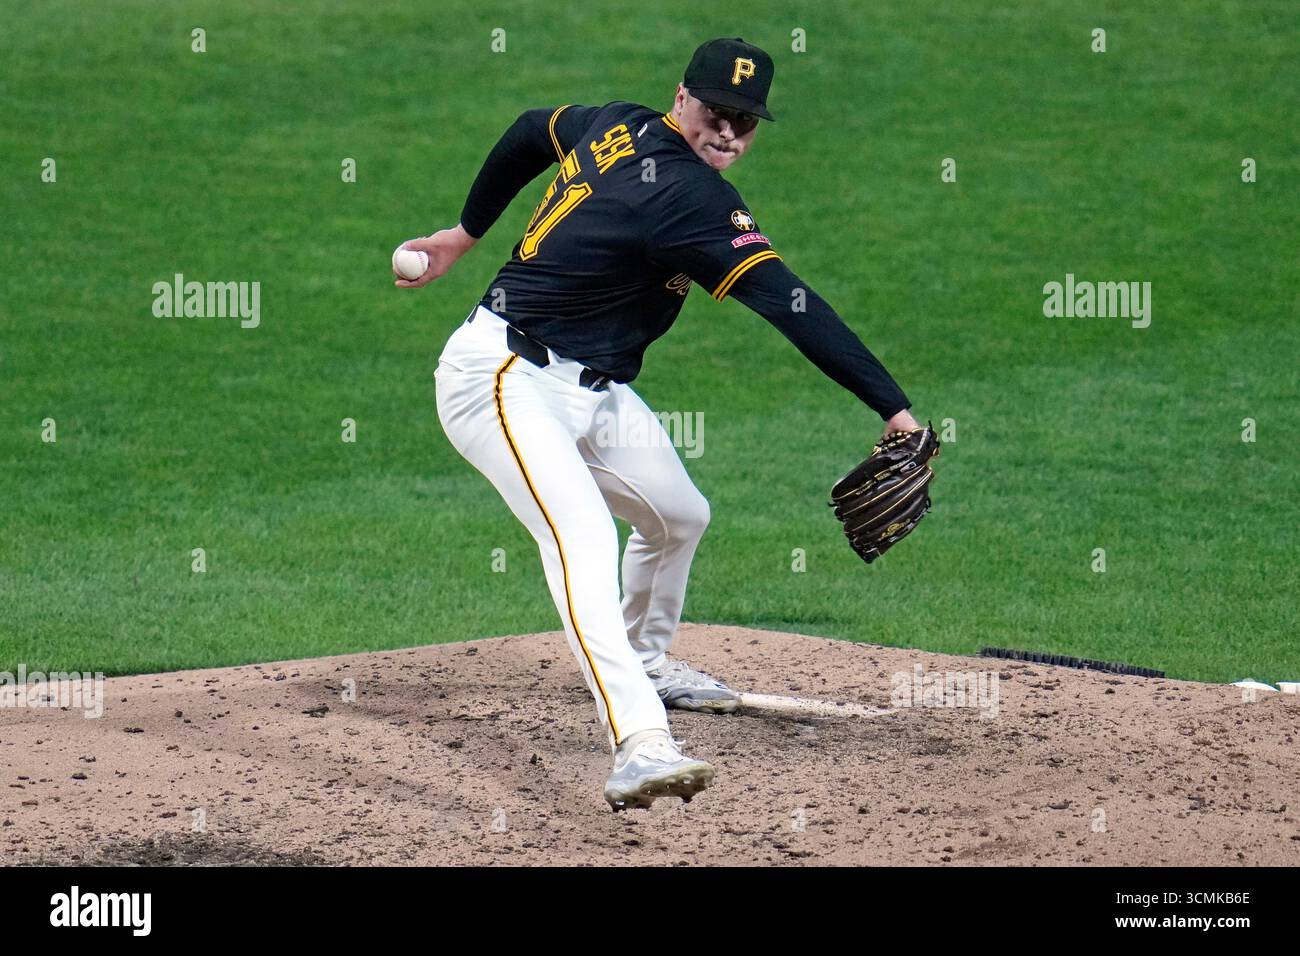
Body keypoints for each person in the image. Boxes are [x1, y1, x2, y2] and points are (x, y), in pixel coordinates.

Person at [396, 37, 920, 811]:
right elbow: (791, 305)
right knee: (580, 540)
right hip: (501, 379)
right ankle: (639, 744)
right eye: (717, 113)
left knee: (678, 516)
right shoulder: (693, 200)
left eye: (746, 123)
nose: (729, 135)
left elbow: (526, 130)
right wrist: (894, 406)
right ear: (682, 98)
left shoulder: (616, 121)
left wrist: (463, 234)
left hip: (594, 390)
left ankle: (647, 660)